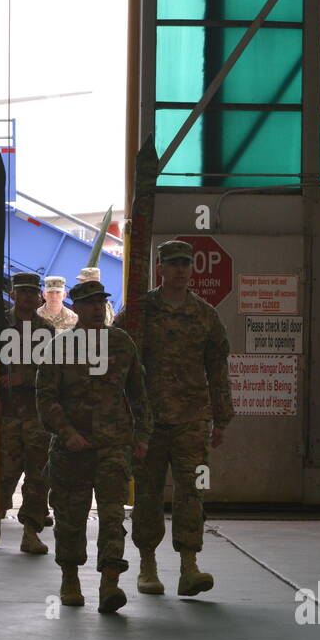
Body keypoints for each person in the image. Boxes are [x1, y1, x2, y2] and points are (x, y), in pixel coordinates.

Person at [121, 240, 232, 596]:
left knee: (192, 492)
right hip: (149, 423)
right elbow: (118, 360)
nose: (181, 270)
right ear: (161, 268)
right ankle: (148, 566)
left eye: (186, 264)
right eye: (174, 264)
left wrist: (222, 417)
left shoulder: (205, 315)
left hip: (191, 421)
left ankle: (189, 567)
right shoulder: (139, 313)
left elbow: (217, 369)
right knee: (149, 494)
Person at [36, 279, 151, 613]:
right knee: (71, 517)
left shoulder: (120, 342)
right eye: (89, 303)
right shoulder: (60, 346)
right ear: (77, 308)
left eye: (101, 302)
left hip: (113, 445)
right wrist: (67, 432)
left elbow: (138, 393)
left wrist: (142, 436)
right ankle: (70, 578)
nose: (97, 308)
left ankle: (110, 583)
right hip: (72, 448)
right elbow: (46, 396)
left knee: (114, 516)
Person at [0, 271, 57, 553]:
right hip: (5, 412)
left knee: (37, 474)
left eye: (33, 292)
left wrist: (25, 378)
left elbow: (52, 371)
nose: (28, 297)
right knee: (2, 471)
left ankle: (31, 530)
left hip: (36, 415)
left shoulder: (46, 330)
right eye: (23, 292)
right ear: (13, 295)